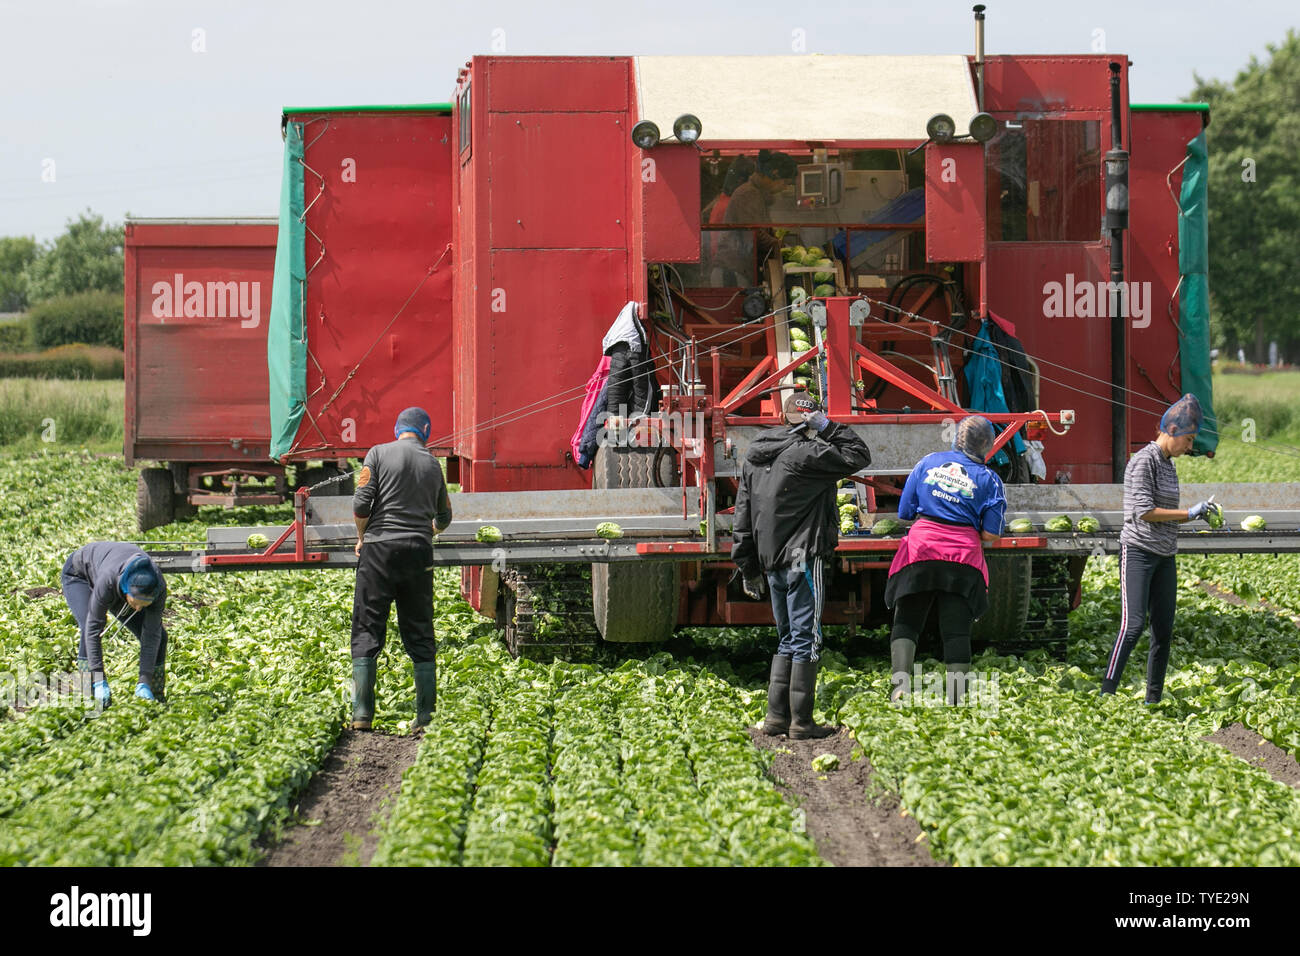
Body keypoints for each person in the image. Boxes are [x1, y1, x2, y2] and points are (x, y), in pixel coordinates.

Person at [732, 392, 872, 739]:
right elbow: (859, 455)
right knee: (806, 638)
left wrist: (748, 566)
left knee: (787, 638)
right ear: (810, 419)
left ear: (783, 417)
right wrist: (829, 427)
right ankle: (802, 722)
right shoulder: (810, 454)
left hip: (771, 560)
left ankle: (776, 718)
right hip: (803, 557)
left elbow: (742, 514)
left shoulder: (753, 455)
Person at [1101, 394, 1218, 704]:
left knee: (1163, 630)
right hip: (1138, 551)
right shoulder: (1143, 461)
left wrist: (1197, 516)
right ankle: (1106, 692)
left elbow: (1165, 516)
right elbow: (1145, 511)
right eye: (1189, 439)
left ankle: (1153, 699)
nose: (1190, 447)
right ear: (1173, 429)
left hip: (1165, 555)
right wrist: (1189, 514)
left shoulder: (1169, 466)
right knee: (1133, 625)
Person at [886, 416, 1007, 706]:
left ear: (957, 438)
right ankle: (956, 698)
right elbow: (991, 534)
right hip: (962, 557)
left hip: (921, 551)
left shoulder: (927, 463)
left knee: (908, 620)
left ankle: (899, 689)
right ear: (988, 445)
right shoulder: (990, 479)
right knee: (956, 629)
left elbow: (905, 512)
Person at [351, 406, 453, 732]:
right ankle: (426, 717)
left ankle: (362, 714)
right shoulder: (433, 465)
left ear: (398, 429)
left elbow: (361, 504)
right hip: (418, 553)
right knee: (420, 629)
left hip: (379, 550)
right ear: (425, 430)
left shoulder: (378, 454)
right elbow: (445, 517)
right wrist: (427, 532)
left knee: (368, 626)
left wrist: (361, 537)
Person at [61, 542, 168, 707]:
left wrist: (144, 680)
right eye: (137, 602)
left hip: (116, 579)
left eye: (144, 604)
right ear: (126, 591)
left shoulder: (158, 587)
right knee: (87, 624)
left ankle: (153, 694)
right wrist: (99, 680)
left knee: (160, 636)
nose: (139, 609)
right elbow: (92, 629)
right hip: (79, 574)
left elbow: (152, 633)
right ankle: (90, 693)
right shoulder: (108, 580)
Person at [717, 150, 797, 285]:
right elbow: (754, 234)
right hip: (732, 271)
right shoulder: (748, 194)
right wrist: (783, 248)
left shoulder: (758, 194)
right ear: (775, 173)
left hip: (741, 269)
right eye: (785, 183)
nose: (784, 188)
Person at [601, 300, 657, 423]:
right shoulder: (633, 347)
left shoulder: (619, 347)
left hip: (623, 419)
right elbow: (641, 385)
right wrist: (641, 417)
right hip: (635, 422)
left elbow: (616, 390)